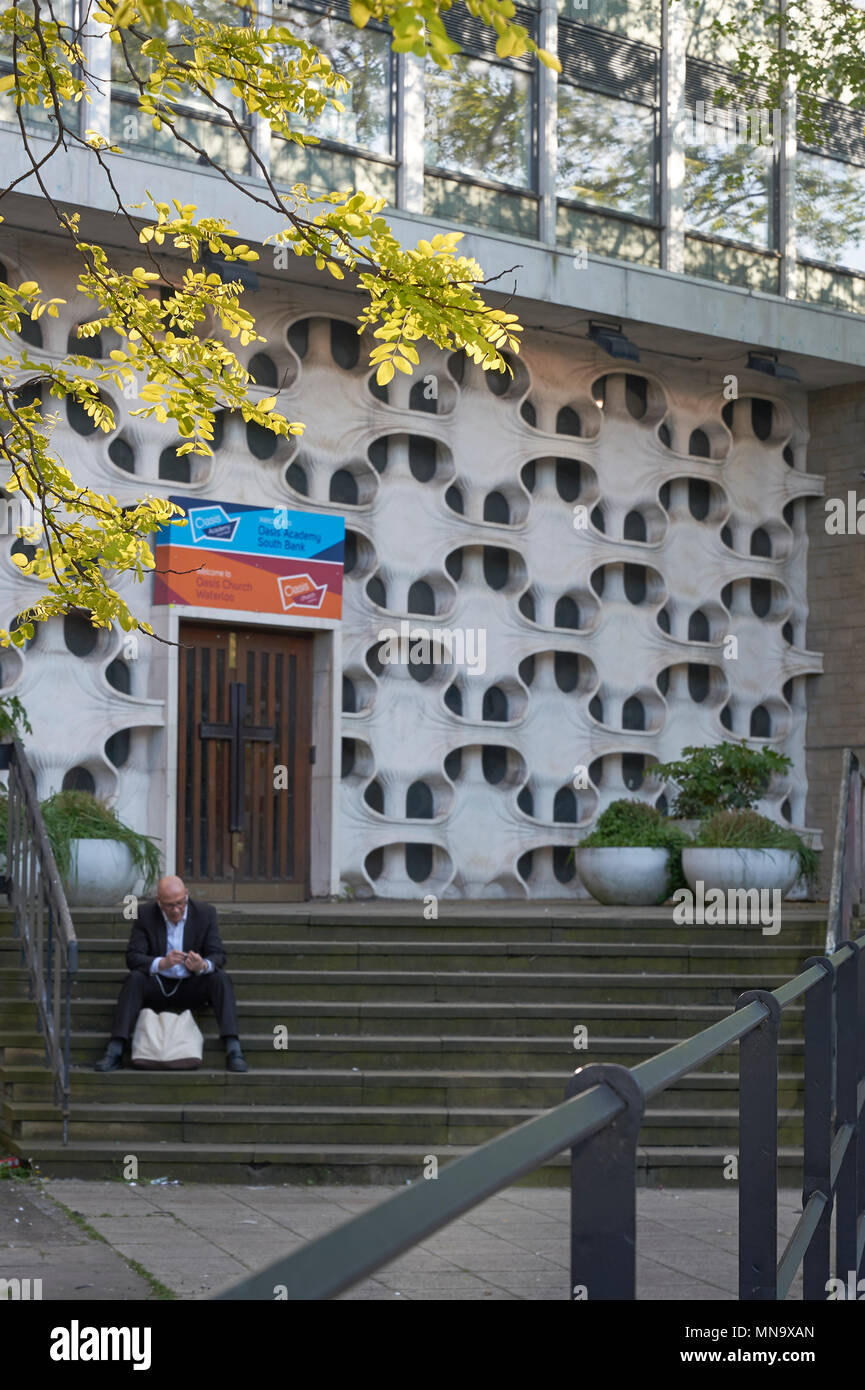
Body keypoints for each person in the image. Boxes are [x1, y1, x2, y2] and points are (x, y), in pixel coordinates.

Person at [94, 875, 248, 1073]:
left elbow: (218, 955)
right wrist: (161, 963)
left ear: (187, 895)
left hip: (192, 986)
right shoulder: (145, 914)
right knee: (134, 979)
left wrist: (202, 965)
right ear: (158, 901)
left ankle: (233, 1049)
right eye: (169, 906)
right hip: (157, 986)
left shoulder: (205, 913)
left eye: (180, 903)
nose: (175, 910)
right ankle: (115, 1050)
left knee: (221, 978)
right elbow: (133, 958)